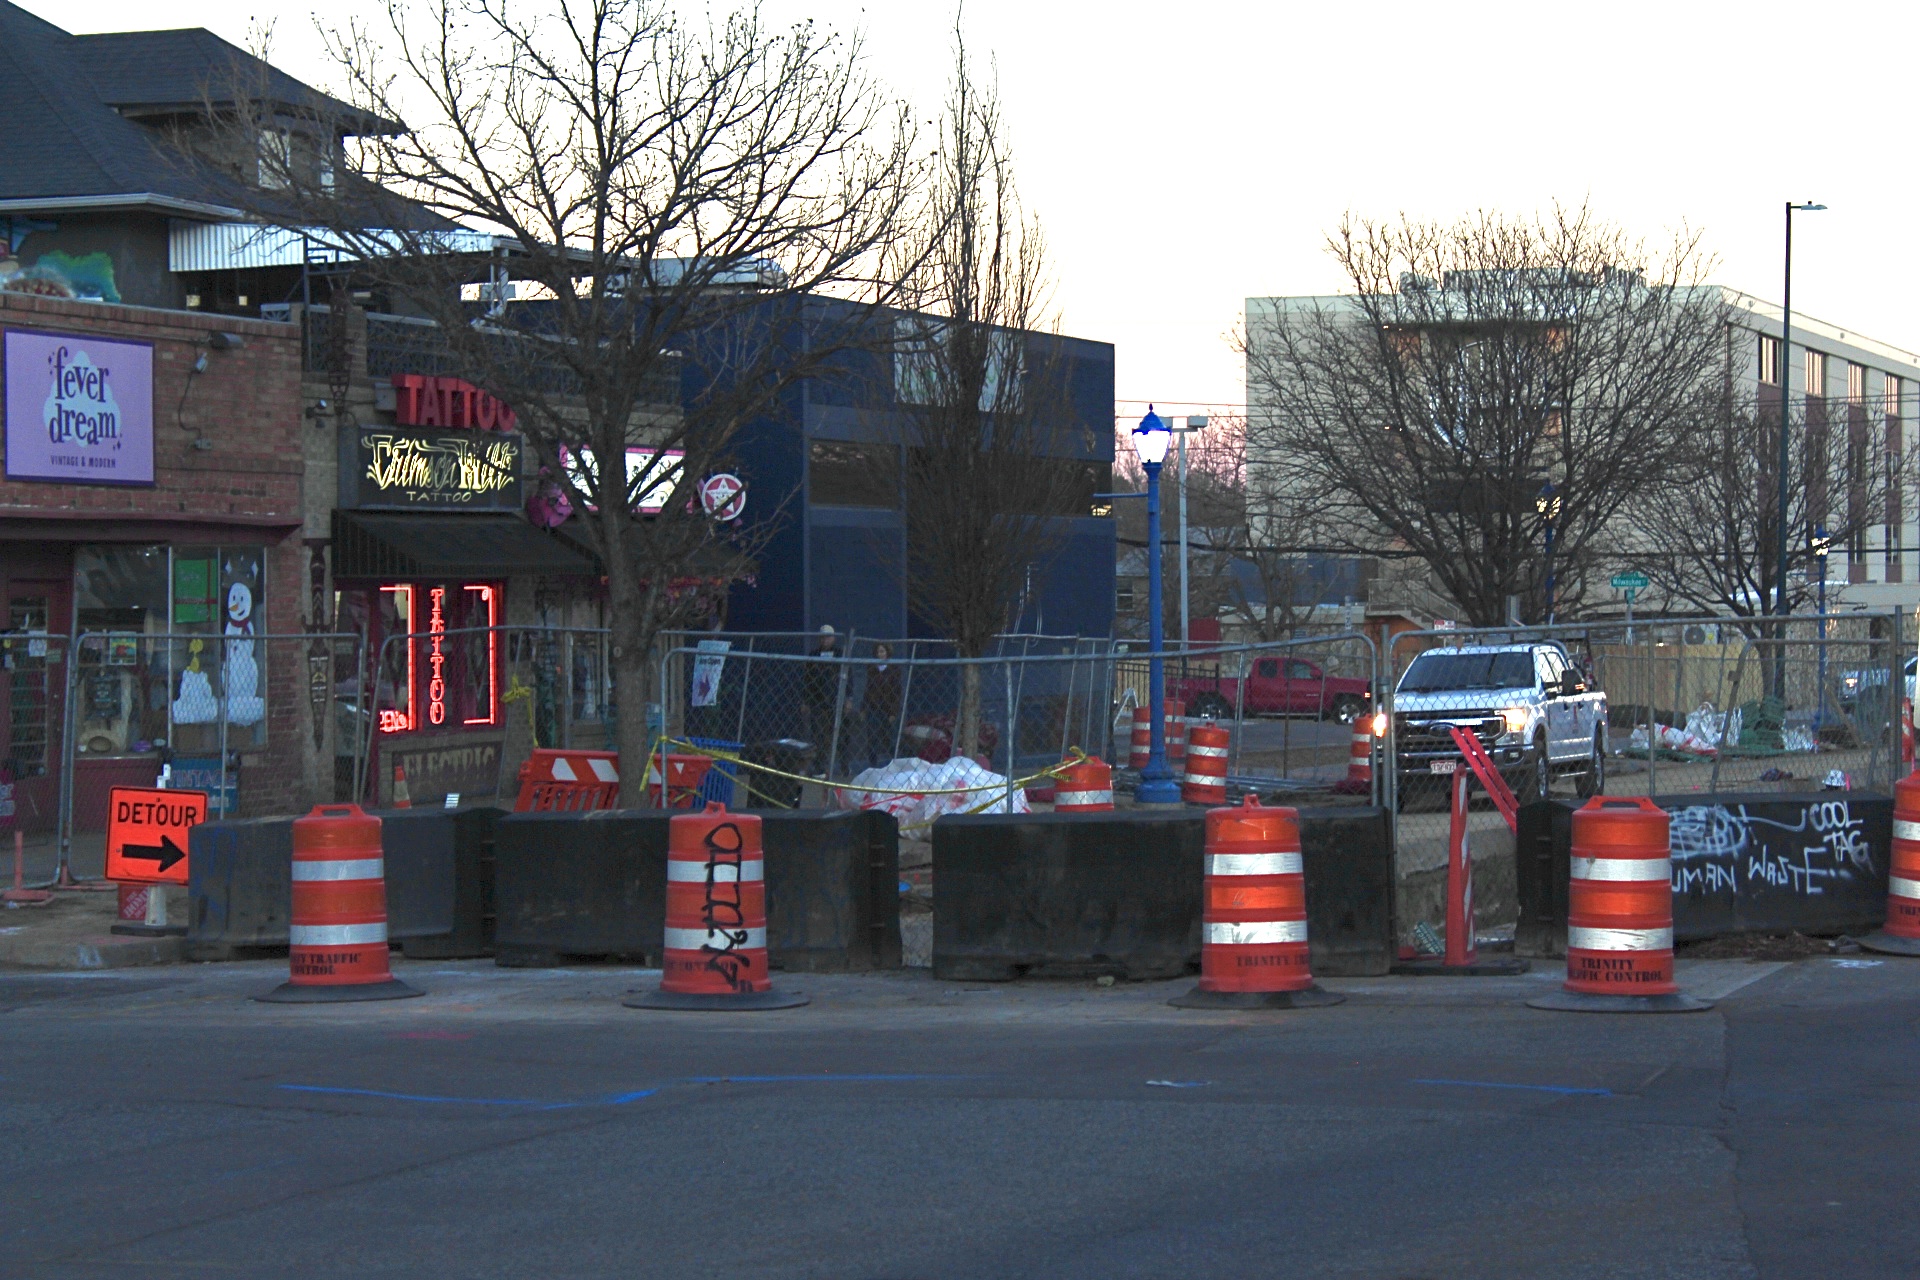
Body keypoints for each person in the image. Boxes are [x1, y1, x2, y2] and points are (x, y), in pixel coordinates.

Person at [799, 624, 841, 750]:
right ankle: (820, 764)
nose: (825, 640)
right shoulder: (814, 654)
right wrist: (805, 701)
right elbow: (807, 679)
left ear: (833, 638)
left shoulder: (840, 654)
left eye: (828, 637)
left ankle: (843, 766)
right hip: (817, 699)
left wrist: (848, 698)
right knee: (818, 733)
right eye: (822, 637)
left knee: (838, 733)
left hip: (836, 699)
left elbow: (848, 677)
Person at [863, 643, 903, 768]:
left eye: (882, 651)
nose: (880, 654)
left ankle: (894, 765)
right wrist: (863, 708)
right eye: (878, 652)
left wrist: (893, 712)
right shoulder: (872, 669)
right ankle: (873, 766)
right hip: (874, 708)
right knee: (872, 738)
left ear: (887, 653)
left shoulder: (894, 669)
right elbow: (867, 689)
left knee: (890, 738)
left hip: (888, 709)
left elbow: (897, 692)